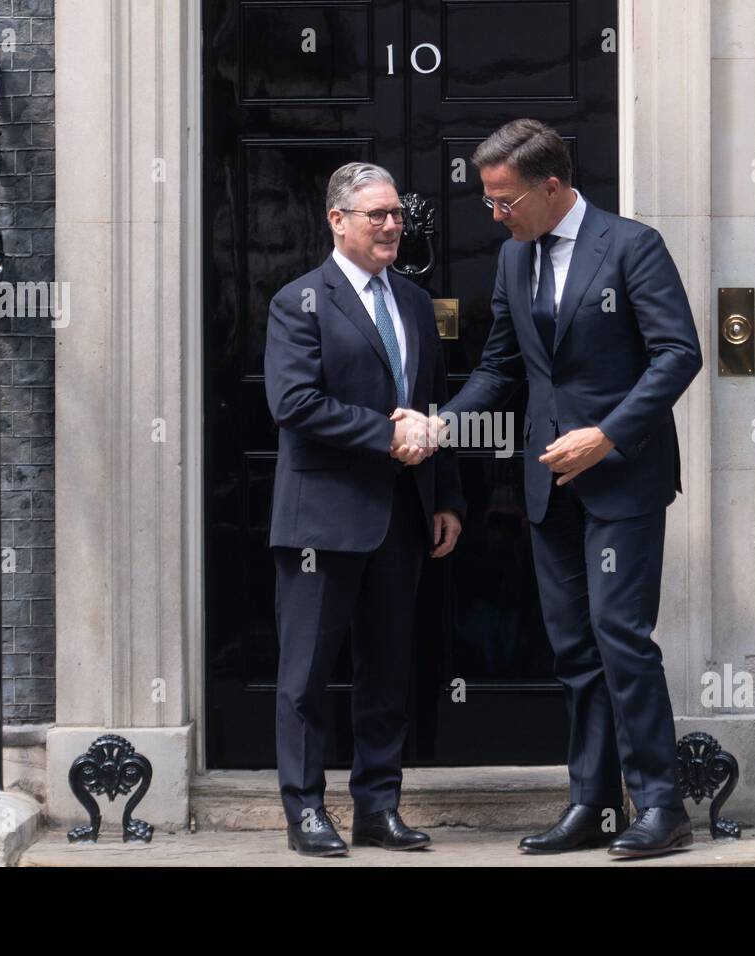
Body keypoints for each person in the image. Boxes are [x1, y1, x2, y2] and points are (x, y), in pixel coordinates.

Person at [440, 119, 703, 857]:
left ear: (551, 186)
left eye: (504, 199)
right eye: (490, 201)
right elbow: (500, 368)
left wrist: (607, 435)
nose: (495, 213)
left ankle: (661, 805)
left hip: (620, 479)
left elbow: (679, 354)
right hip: (546, 487)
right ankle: (592, 802)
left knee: (621, 637)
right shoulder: (511, 259)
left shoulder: (631, 246)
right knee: (574, 651)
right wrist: (438, 426)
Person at [264, 161, 464, 857]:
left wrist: (445, 499)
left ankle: (378, 808)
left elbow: (433, 404)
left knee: (388, 671)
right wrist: (388, 435)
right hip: (322, 519)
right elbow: (293, 403)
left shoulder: (413, 301)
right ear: (337, 220)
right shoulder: (299, 301)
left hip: (403, 518)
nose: (391, 225)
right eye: (376, 215)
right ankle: (306, 812)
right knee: (307, 677)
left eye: (397, 215)